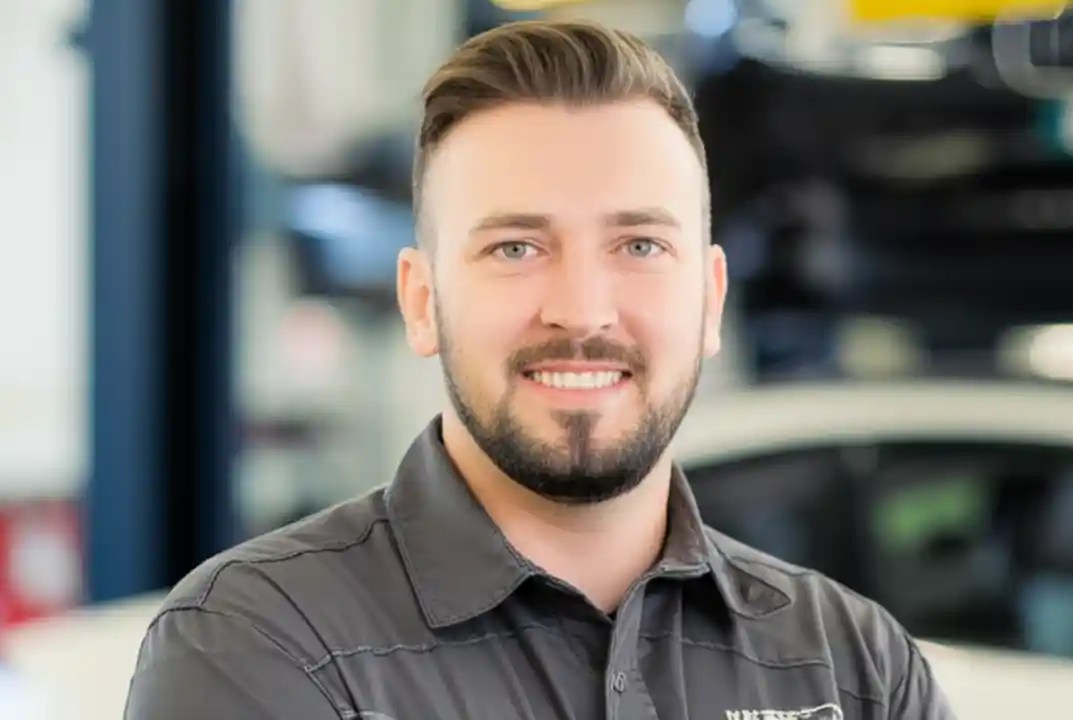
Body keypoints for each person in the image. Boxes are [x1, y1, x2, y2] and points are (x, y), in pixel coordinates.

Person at [124, 20, 955, 720]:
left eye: (639, 245)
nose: (583, 310)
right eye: (516, 247)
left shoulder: (855, 668)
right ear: (422, 301)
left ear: (708, 300)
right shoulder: (261, 644)